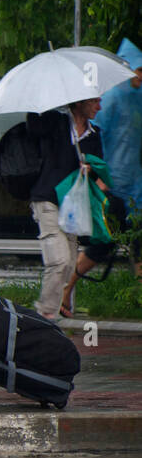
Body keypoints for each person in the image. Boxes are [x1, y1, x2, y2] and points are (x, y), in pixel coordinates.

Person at [61, 37, 142, 308]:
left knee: (139, 242)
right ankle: (66, 288)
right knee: (102, 244)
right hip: (110, 186)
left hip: (135, 188)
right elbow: (90, 136)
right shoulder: (110, 99)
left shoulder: (138, 97)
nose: (141, 76)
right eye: (139, 70)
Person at [26, 97, 104, 319]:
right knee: (58, 260)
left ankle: (55, 311)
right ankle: (45, 314)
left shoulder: (94, 134)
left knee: (69, 263)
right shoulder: (56, 123)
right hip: (47, 199)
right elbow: (34, 128)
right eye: (95, 102)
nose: (99, 107)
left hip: (72, 208)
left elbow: (98, 168)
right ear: (80, 103)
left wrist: (89, 169)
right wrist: (38, 102)